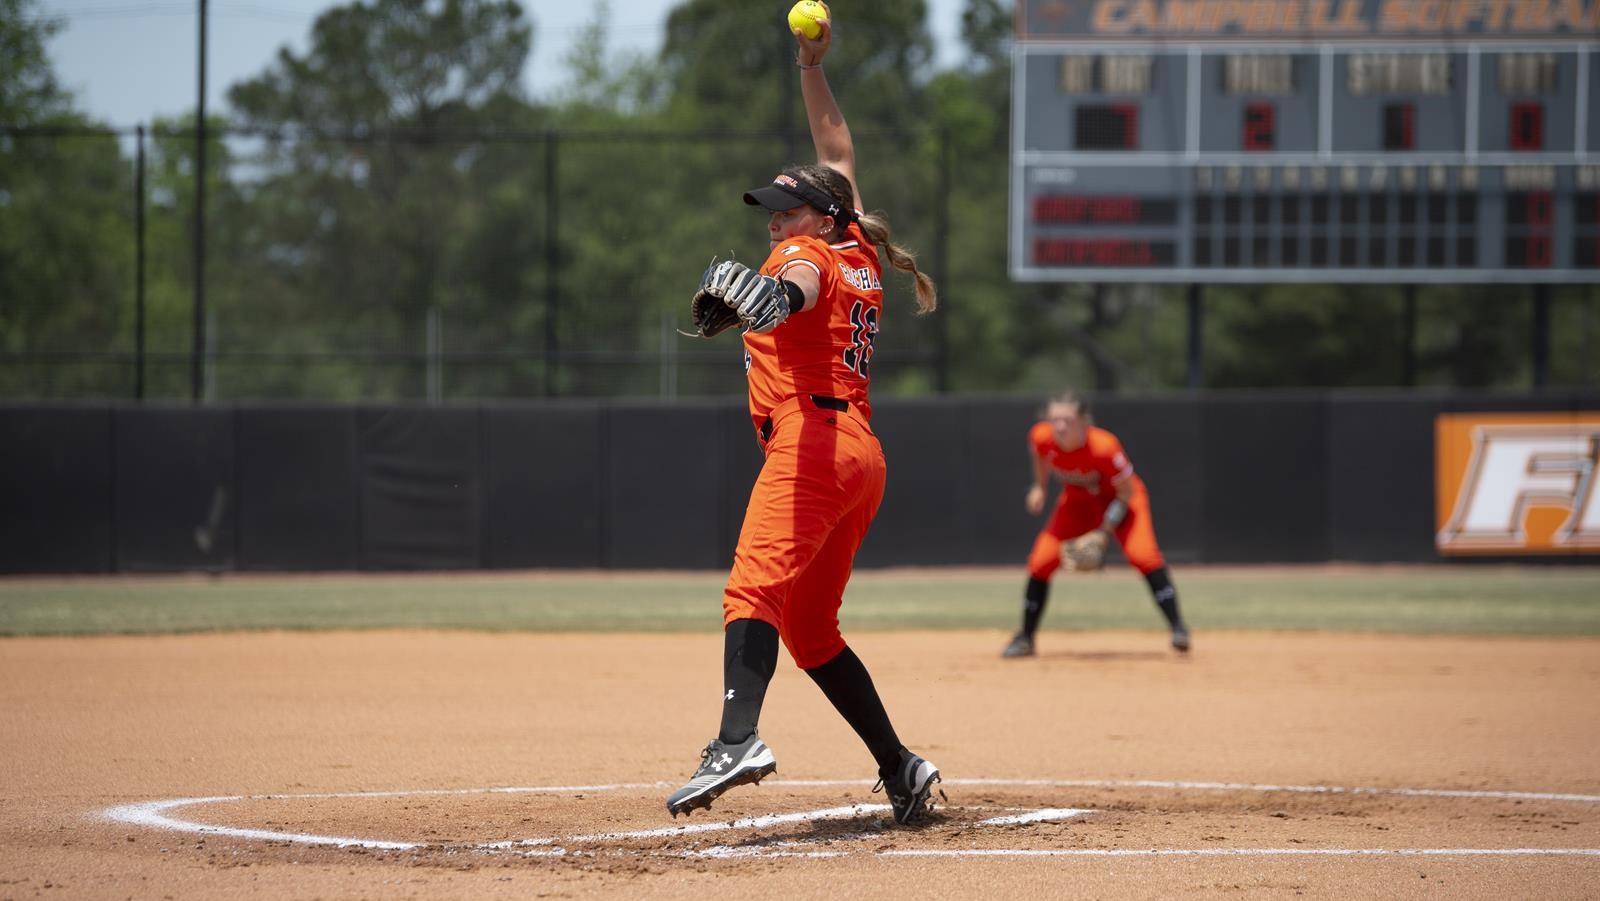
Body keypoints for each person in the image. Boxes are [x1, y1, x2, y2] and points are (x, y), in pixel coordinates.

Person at [664, 13, 943, 826]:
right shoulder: (851, 241)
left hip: (812, 443)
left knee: (751, 586)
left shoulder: (809, 255)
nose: (773, 221)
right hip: (858, 457)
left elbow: (799, 285)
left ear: (819, 219)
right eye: (771, 213)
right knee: (813, 629)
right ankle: (901, 766)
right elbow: (840, 153)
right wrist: (811, 68)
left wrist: (777, 296)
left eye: (786, 210)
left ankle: (736, 738)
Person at [1002, 391, 1192, 658]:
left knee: (1144, 557)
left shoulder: (1104, 447)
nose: (1060, 426)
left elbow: (1126, 493)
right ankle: (1025, 638)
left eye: (1067, 419)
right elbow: (1037, 455)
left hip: (1121, 500)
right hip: (1077, 501)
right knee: (1041, 561)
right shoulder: (1041, 437)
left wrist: (1104, 532)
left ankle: (1178, 629)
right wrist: (1039, 487)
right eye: (1054, 419)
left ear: (1083, 421)